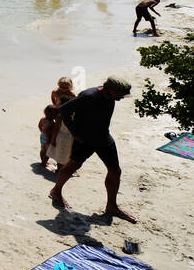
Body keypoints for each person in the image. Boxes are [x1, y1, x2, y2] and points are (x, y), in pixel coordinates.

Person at [47, 76, 137, 221]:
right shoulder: (89, 96)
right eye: (120, 94)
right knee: (72, 166)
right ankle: (56, 191)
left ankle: (112, 206)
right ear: (111, 89)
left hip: (104, 138)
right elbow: (64, 110)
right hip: (85, 140)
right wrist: (75, 132)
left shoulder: (111, 97)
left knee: (115, 170)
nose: (122, 97)